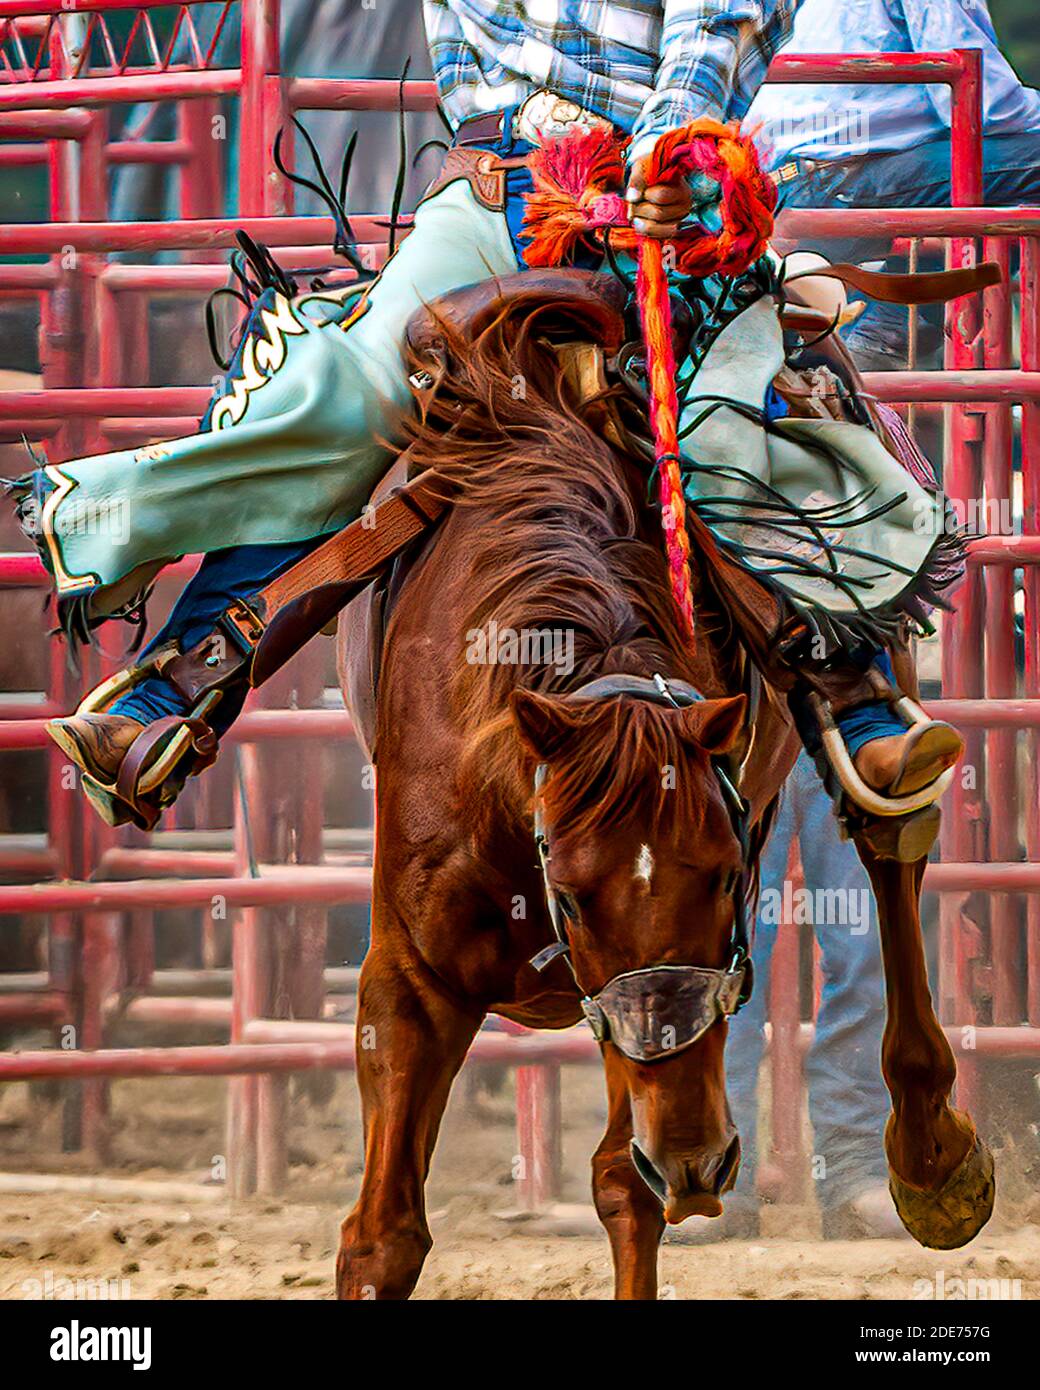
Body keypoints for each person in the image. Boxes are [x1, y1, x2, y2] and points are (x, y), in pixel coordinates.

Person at [13, 1, 962, 827]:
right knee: (350, 396)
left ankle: (854, 700)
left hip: (668, 192)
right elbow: (469, 63)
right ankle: (181, 685)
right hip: (499, 189)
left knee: (732, 417)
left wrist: (669, 150)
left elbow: (720, 18)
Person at [746, 0, 1040, 368]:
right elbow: (987, 106)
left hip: (793, 177)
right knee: (1016, 185)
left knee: (1000, 190)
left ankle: (882, 336)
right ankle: (889, 332)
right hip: (835, 176)